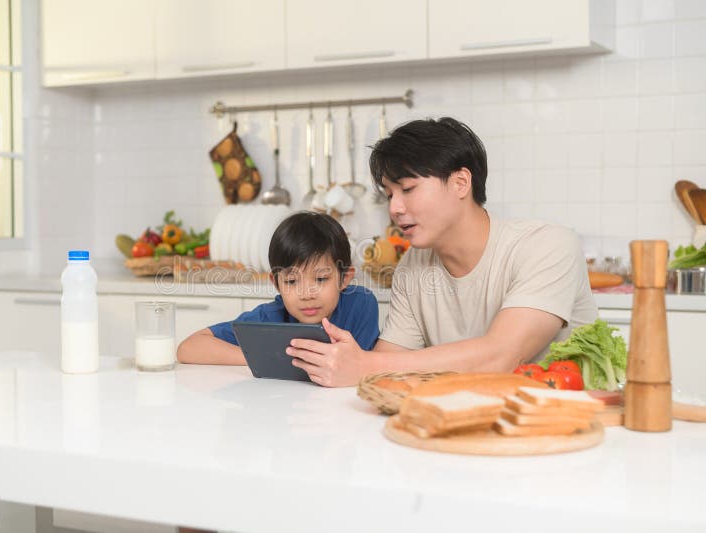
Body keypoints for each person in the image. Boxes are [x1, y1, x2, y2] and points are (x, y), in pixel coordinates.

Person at [286, 117, 598, 387]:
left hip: (565, 432)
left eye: (408, 189)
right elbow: (389, 364)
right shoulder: (413, 265)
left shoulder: (548, 245)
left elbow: (501, 356)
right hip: (463, 425)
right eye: (389, 195)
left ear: (461, 183)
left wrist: (364, 365)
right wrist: (343, 362)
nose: (395, 208)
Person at [176, 211, 379, 367]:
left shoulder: (360, 306)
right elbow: (188, 348)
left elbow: (364, 366)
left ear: (344, 279)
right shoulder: (271, 317)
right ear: (276, 284)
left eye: (320, 278)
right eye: (291, 281)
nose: (306, 294)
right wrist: (262, 359)